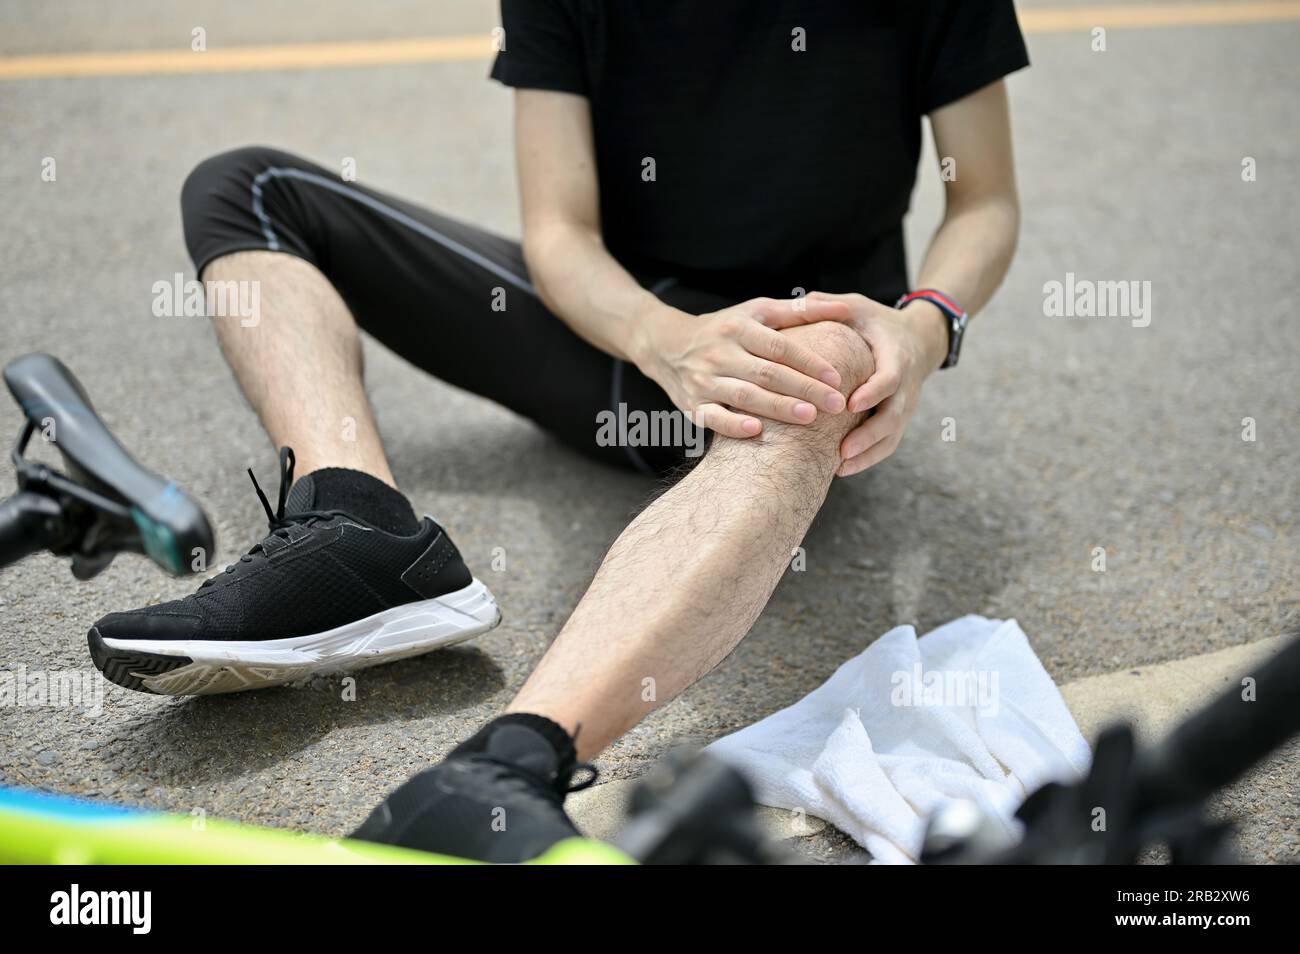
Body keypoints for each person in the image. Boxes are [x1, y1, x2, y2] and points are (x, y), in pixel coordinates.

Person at [91, 1, 1028, 861]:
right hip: (624, 336)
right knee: (244, 187)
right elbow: (560, 233)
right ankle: (357, 523)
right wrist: (667, 341)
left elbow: (984, 200)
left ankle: (506, 762)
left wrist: (922, 328)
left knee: (817, 358)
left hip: (817, 352)